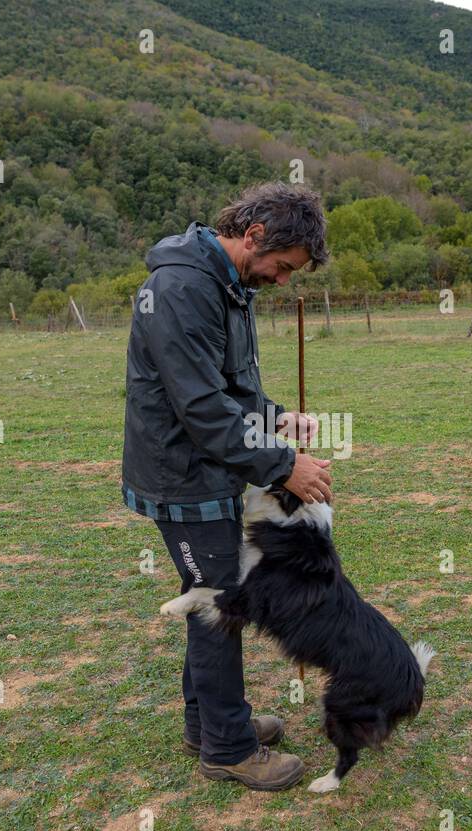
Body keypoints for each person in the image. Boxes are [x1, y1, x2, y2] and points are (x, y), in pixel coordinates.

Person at [120, 182, 333, 791]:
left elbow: (232, 387)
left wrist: (274, 417)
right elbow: (203, 409)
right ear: (255, 236)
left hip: (209, 468)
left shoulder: (228, 285)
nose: (284, 280)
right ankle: (228, 747)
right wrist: (283, 466)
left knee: (212, 598)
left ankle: (209, 722)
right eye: (283, 266)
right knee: (219, 605)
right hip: (182, 475)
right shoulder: (182, 288)